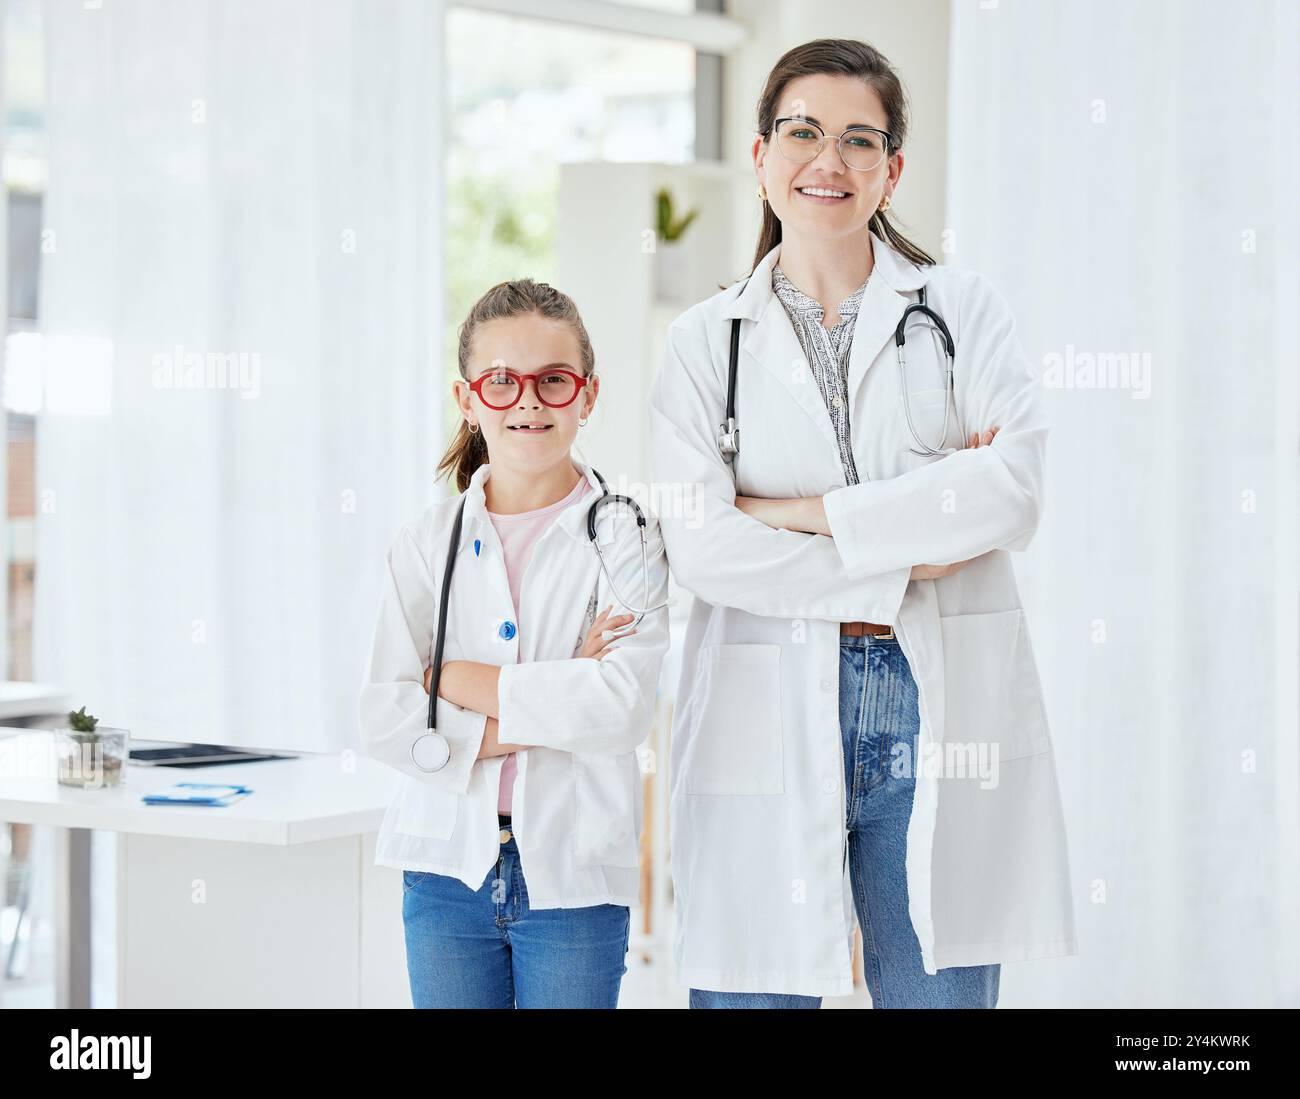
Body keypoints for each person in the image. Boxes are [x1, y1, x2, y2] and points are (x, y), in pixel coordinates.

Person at [649, 37, 1077, 1008]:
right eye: (801, 131)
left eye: (857, 138)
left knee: (937, 986)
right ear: (759, 155)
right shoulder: (701, 341)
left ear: (892, 169)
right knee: (754, 986)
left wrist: (796, 514)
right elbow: (701, 545)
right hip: (767, 691)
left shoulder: (963, 310)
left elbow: (1012, 492)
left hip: (930, 692)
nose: (826, 160)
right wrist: (899, 554)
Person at [361, 278, 670, 1008]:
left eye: (552, 380)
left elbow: (621, 710)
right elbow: (385, 714)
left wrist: (453, 679)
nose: (528, 401)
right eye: (501, 381)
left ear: (587, 395)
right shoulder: (425, 542)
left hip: (574, 873)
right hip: (445, 873)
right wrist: (562, 687)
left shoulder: (625, 534)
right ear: (467, 399)